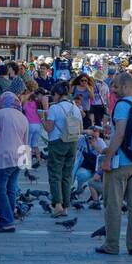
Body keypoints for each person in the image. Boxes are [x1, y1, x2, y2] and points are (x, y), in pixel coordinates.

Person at [96, 72, 132, 257]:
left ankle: (111, 245)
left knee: (113, 204)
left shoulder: (122, 105)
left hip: (121, 162)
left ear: (126, 86)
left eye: (116, 86)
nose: (113, 89)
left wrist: (108, 158)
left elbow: (119, 134)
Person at [0, 91, 29, 232]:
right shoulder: (23, 116)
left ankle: (7, 220)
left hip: (3, 156)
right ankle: (8, 218)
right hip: (19, 157)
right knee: (11, 189)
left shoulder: (0, 114)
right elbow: (25, 140)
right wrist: (25, 161)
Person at [45, 83, 81, 216]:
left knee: (55, 174)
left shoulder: (54, 108)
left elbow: (49, 128)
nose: (52, 97)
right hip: (72, 142)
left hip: (57, 142)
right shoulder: (75, 107)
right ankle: (66, 206)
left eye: (53, 95)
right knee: (67, 174)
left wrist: (42, 119)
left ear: (58, 94)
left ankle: (58, 204)